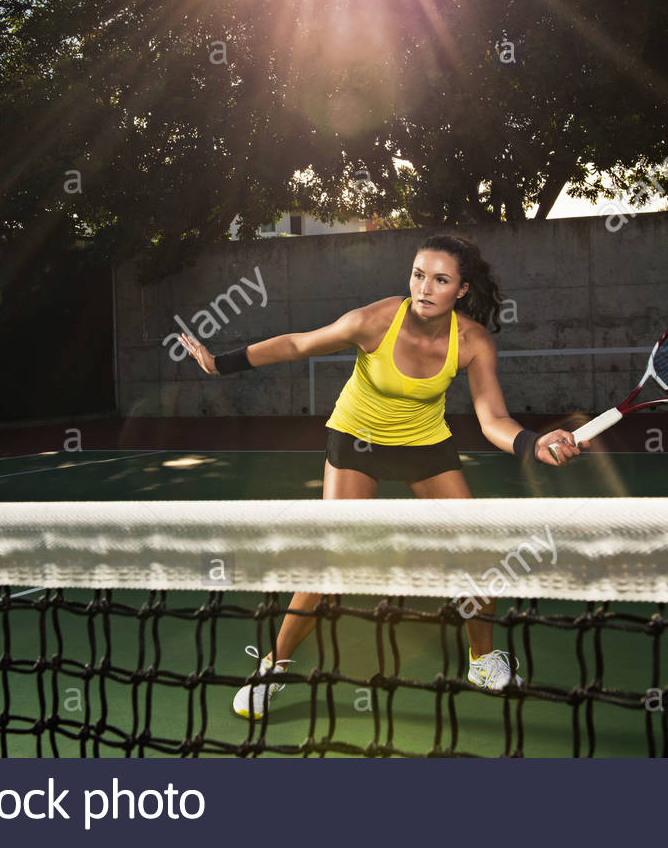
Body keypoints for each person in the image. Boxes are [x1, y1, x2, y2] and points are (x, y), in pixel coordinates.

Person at [179, 233, 581, 720]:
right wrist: (219, 364)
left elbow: (493, 418)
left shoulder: (472, 342)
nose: (424, 287)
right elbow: (297, 344)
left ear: (462, 289)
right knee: (332, 562)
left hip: (424, 445)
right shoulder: (377, 320)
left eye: (440, 279)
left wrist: (531, 442)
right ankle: (274, 667)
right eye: (418, 274)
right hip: (356, 441)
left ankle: (481, 660)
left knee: (477, 547)